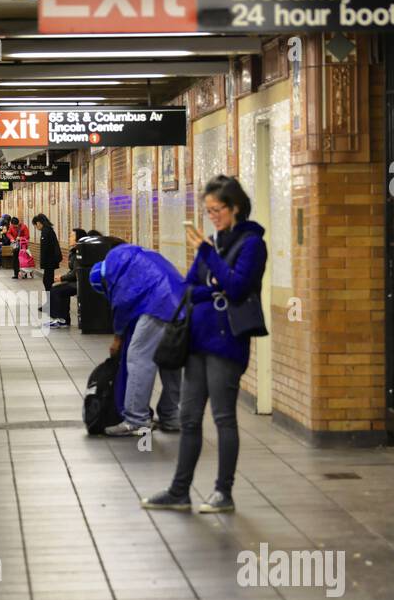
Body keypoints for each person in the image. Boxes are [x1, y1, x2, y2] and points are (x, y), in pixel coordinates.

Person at [142, 175, 267, 514]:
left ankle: (222, 493)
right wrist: (214, 286)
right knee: (190, 417)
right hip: (196, 340)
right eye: (208, 210)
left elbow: (239, 287)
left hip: (227, 342)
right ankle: (179, 490)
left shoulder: (251, 244)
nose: (212, 216)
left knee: (224, 417)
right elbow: (188, 287)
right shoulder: (212, 243)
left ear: (235, 207)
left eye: (217, 210)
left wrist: (210, 261)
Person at [87, 243, 184, 437]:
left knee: (139, 358)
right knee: (170, 361)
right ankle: (171, 416)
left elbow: (121, 304)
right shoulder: (126, 255)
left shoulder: (114, 271)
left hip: (158, 305)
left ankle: (136, 420)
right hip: (182, 300)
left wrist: (118, 337)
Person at [44, 228, 87, 328]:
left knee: (56, 290)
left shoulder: (79, 252)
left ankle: (61, 319)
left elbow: (76, 272)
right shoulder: (74, 251)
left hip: (81, 283)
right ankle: (62, 319)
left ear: (78, 238)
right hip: (77, 281)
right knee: (58, 289)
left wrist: (62, 278)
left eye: (72, 236)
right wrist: (63, 277)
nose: (69, 238)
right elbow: (74, 271)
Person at [31, 214, 62, 293]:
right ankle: (50, 302)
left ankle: (50, 302)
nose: (36, 228)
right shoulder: (48, 230)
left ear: (38, 223)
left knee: (47, 281)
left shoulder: (46, 231)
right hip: (50, 261)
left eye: (35, 225)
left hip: (49, 261)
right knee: (48, 281)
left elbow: (45, 249)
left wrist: (43, 263)